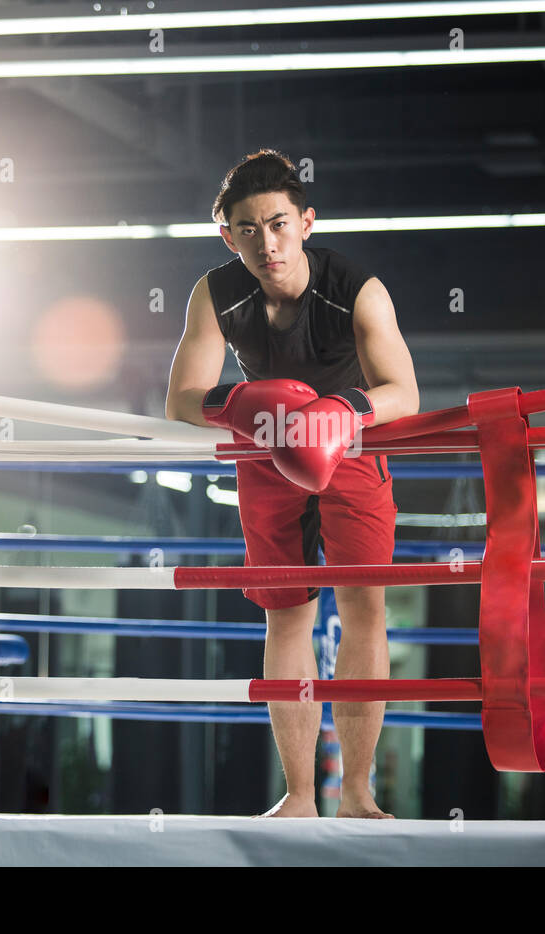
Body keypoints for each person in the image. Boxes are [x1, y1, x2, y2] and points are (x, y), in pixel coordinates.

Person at [165, 149, 420, 818]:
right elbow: (182, 399)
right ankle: (301, 796)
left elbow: (405, 391)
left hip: (351, 451)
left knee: (364, 609)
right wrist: (239, 403)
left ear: (305, 221)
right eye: (247, 229)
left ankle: (358, 794)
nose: (265, 242)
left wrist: (343, 409)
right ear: (228, 236)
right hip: (267, 450)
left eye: (277, 223)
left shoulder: (356, 287)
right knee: (287, 615)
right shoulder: (216, 292)